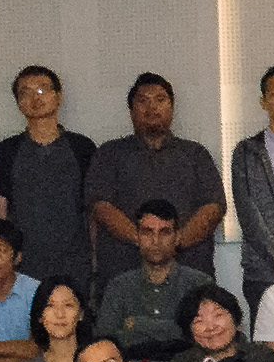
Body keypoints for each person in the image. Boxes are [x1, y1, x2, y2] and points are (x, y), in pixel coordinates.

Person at [84, 72, 228, 280]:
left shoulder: (195, 154)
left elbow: (214, 206)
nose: (152, 108)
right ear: (131, 110)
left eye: (160, 100)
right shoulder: (109, 153)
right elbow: (100, 206)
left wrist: (173, 242)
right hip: (124, 272)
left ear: (172, 107)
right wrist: (146, 241)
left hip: (189, 270)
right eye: (143, 101)